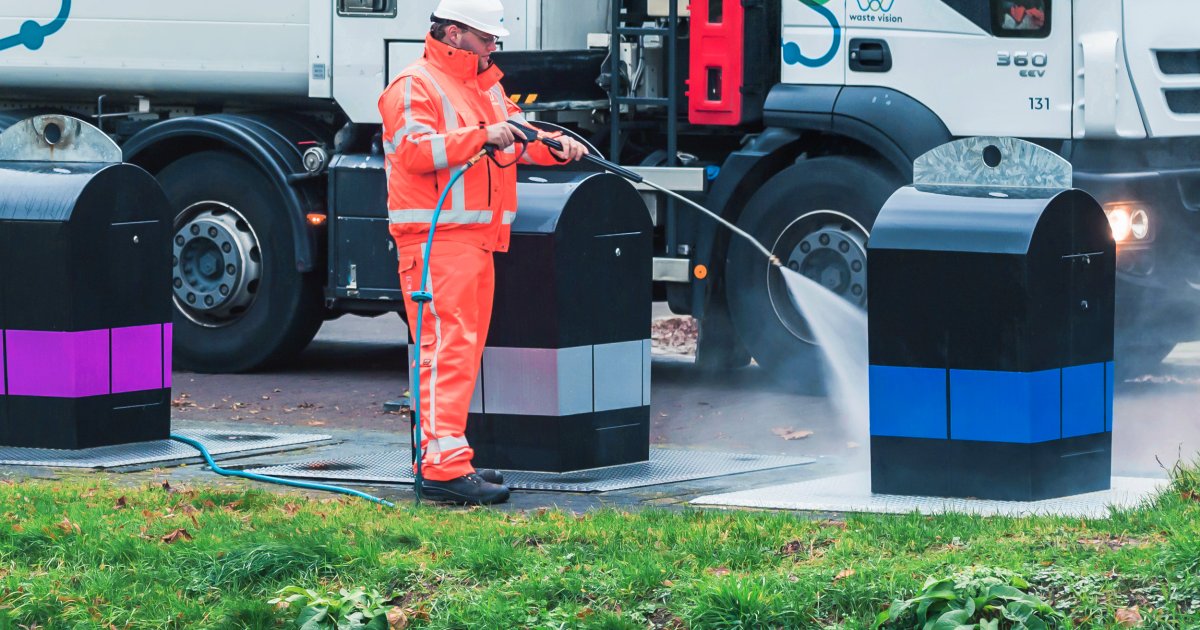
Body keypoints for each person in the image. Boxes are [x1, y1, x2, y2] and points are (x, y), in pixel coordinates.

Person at [378, 0, 589, 505]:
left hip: (474, 240)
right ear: (454, 34)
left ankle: (448, 458)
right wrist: (483, 134)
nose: (494, 45)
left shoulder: (484, 85)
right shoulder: (414, 85)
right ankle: (442, 468)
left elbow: (516, 135)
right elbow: (413, 151)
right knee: (443, 351)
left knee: (459, 351)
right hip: (436, 239)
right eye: (486, 36)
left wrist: (551, 144)